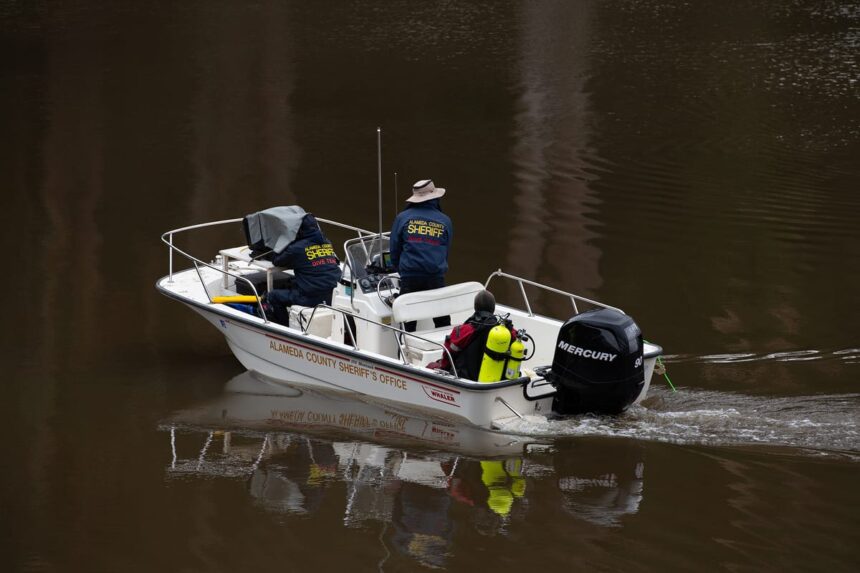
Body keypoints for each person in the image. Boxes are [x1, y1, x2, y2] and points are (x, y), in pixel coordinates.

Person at [390, 179, 453, 332]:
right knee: (442, 321)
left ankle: (405, 352)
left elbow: (394, 250)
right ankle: (446, 352)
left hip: (410, 277)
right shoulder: (445, 221)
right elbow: (446, 250)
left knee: (408, 322)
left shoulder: (402, 218)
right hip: (436, 277)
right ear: (435, 198)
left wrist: (403, 270)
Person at [264, 213, 342, 326]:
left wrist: (281, 244)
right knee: (292, 282)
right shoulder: (327, 243)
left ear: (299, 230)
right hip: (333, 294)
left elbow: (277, 260)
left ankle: (285, 328)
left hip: (311, 298)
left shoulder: (297, 248)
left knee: (273, 296)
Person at [428, 290, 516, 381]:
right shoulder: (506, 332)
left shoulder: (462, 331)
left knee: (430, 366)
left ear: (475, 307)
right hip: (497, 380)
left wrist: (440, 366)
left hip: (466, 380)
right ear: (493, 309)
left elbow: (447, 357)